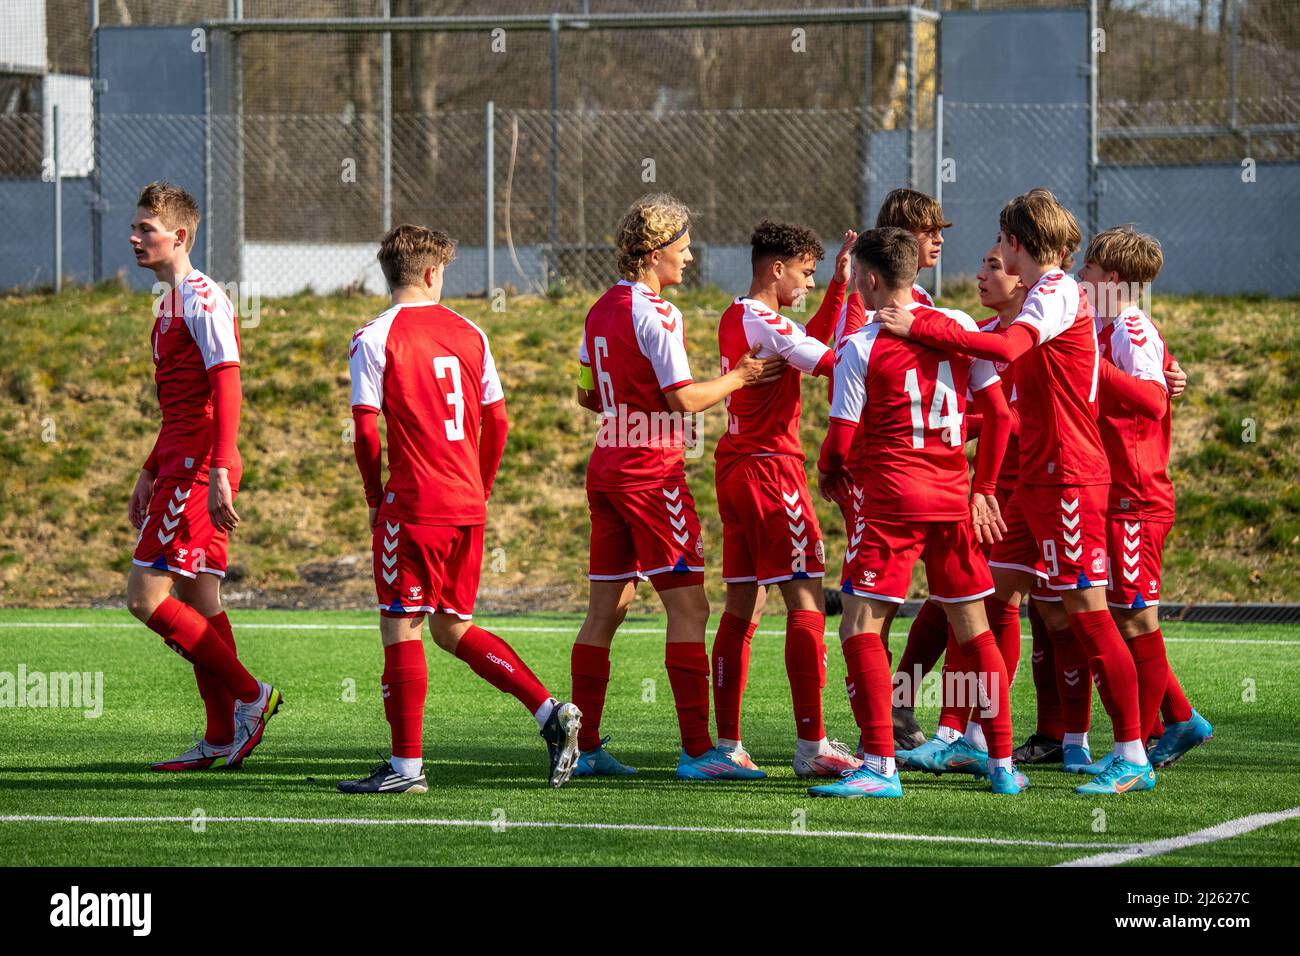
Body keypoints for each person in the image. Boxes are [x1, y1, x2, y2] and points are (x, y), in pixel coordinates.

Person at [878, 189, 1156, 795]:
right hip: (1036, 480)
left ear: (1020, 243)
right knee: (980, 601)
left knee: (1086, 614)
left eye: (1002, 242)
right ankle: (975, 740)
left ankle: (1130, 752)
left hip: (1070, 479)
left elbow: (1006, 349)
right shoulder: (1039, 296)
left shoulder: (1055, 291)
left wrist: (920, 322)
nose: (994, 256)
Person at [341, 224, 581, 794]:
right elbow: (497, 421)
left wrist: (377, 499)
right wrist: (482, 485)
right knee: (452, 627)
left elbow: (365, 432)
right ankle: (551, 715)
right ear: (431, 273)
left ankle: (406, 770)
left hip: (415, 504)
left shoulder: (373, 337)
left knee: (402, 626)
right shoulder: (471, 332)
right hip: (466, 504)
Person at [568, 193, 783, 781]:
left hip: (607, 463)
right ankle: (696, 752)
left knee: (605, 610)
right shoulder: (658, 313)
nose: (689, 260)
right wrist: (739, 377)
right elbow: (682, 400)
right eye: (684, 250)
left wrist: (625, 400)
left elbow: (587, 395)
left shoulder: (597, 309)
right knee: (689, 604)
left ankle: (583, 748)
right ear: (656, 252)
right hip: (650, 471)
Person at [809, 228, 1022, 798]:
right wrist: (985, 488)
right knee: (975, 630)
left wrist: (829, 471)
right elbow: (1001, 418)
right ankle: (1001, 762)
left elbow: (839, 441)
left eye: (856, 274)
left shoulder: (860, 344)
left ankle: (880, 764)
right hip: (953, 497)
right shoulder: (959, 328)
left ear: (870, 279)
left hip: (892, 502)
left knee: (860, 624)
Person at [126, 181, 280, 771]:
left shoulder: (201, 296)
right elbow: (182, 404)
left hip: (198, 467)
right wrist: (148, 469)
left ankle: (251, 696)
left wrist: (217, 467)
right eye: (136, 227)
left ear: (180, 236)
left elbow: (227, 382)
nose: (136, 237)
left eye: (147, 229)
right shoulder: (168, 303)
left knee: (145, 597)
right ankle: (221, 737)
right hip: (180, 461)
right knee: (199, 595)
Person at [710, 220, 862, 778]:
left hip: (737, 471)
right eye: (805, 271)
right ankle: (811, 745)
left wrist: (840, 286)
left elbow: (807, 341)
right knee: (806, 605)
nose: (808, 283)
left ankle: (727, 746)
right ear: (776, 268)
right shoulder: (764, 319)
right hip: (774, 474)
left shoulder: (740, 314)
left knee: (742, 609)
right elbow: (831, 360)